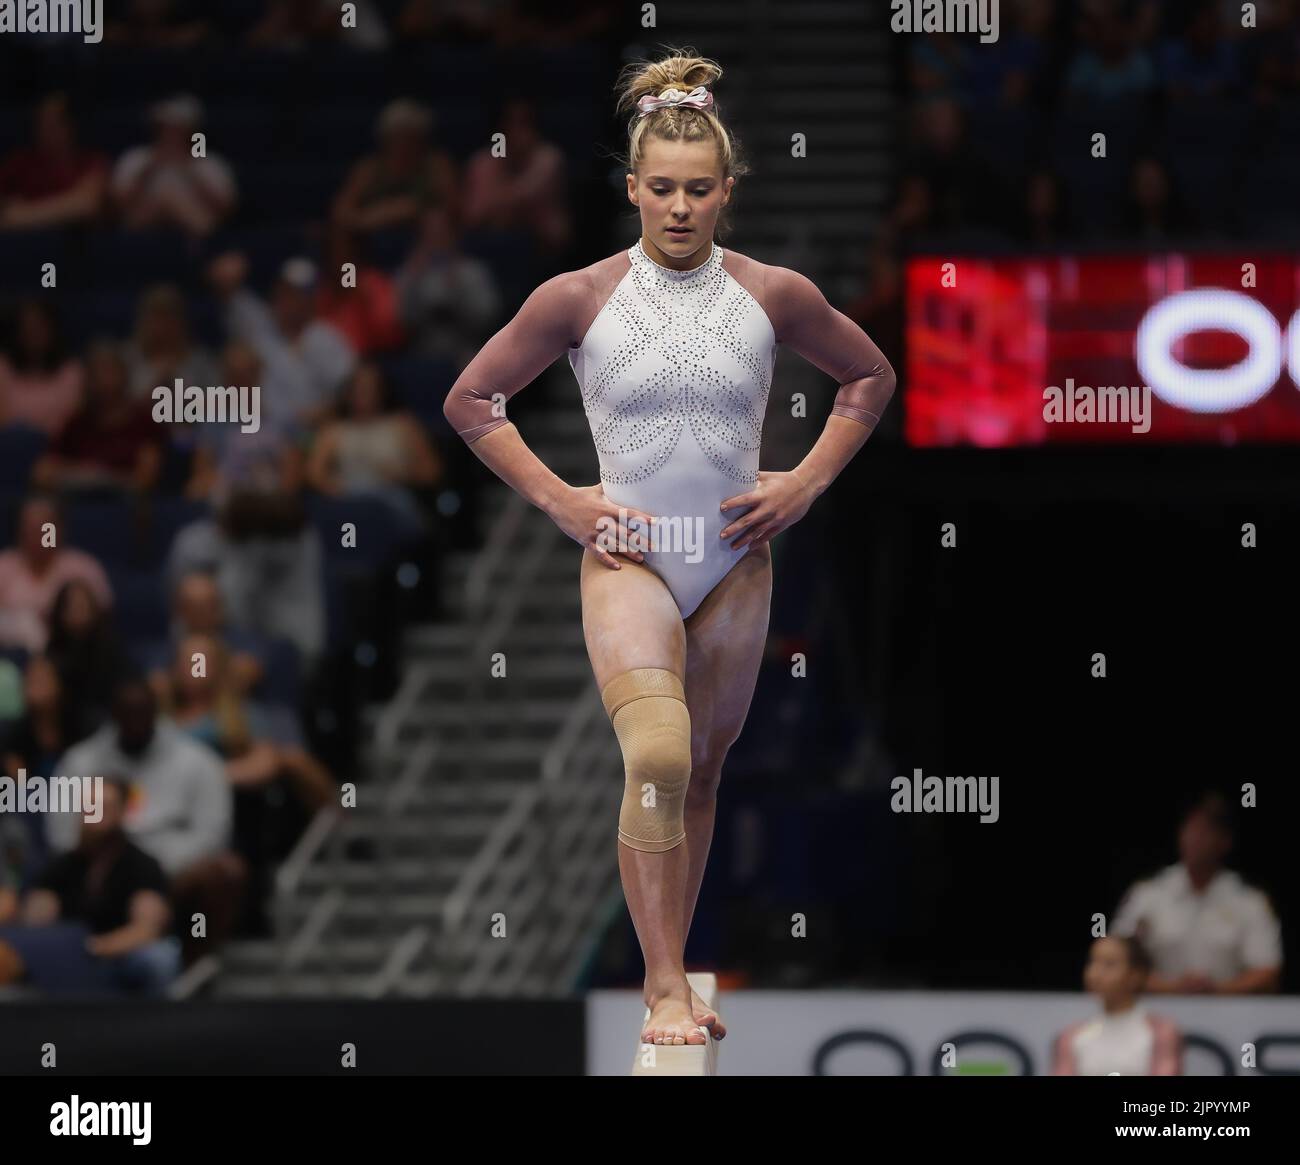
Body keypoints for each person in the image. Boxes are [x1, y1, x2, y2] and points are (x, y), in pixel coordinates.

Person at [442, 49, 895, 1046]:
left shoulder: (774, 291)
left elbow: (869, 376)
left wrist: (805, 480)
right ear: (632, 188)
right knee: (655, 753)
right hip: (629, 557)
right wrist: (561, 501)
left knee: (700, 776)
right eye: (661, 190)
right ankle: (661, 984)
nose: (680, 209)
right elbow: (471, 399)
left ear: (727, 190)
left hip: (735, 558)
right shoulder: (578, 295)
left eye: (698, 190)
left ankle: (678, 969)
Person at [46, 678, 245, 964]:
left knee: (226, 870)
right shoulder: (81, 762)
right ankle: (65, 959)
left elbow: (213, 835)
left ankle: (194, 966)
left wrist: (153, 866)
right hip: (97, 868)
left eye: (142, 714)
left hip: (172, 872)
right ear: (113, 716)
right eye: (126, 715)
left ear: (156, 713)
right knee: (47, 893)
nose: (135, 723)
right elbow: (62, 837)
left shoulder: (197, 761)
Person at [0, 777, 180, 997]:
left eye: (105, 806)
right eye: (90, 805)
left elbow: (148, 929)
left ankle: (156, 1023)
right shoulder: (62, 866)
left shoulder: (142, 865)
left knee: (159, 958)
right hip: (70, 956)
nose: (95, 813)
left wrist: (96, 947)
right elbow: (36, 922)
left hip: (123, 954)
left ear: (123, 811)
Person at [1112, 793, 1282, 994]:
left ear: (1225, 841)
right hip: (1155, 1010)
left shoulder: (1249, 900)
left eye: (1205, 832)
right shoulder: (1148, 894)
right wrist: (1171, 988)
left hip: (1231, 1015)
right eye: (1190, 829)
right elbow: (1113, 960)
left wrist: (1217, 990)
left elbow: (1267, 971)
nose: (1195, 839)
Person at [208, 253, 356, 433]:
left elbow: (346, 392)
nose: (289, 299)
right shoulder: (260, 331)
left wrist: (318, 415)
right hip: (265, 431)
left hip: (315, 431)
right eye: (285, 291)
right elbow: (231, 296)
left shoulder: (328, 339)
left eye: (298, 294)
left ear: (311, 298)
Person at [307, 361, 441, 526]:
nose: (364, 394)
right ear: (348, 393)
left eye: (371, 388)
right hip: (349, 499)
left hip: (392, 497)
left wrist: (403, 475)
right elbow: (315, 475)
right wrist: (341, 490)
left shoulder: (404, 424)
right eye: (359, 388)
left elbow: (431, 472)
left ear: (382, 390)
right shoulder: (333, 430)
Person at [32, 340, 163, 493]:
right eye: (98, 373)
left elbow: (145, 479)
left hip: (125, 506)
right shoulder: (77, 423)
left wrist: (104, 478)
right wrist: (83, 475)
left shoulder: (145, 422)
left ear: (125, 375)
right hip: (76, 502)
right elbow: (42, 472)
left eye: (110, 371)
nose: (104, 380)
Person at [1052, 935, 1183, 1076]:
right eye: (1092, 962)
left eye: (1109, 964)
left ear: (1135, 975)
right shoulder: (1073, 1036)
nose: (1095, 973)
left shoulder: (1161, 1033)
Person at [110, 94, 237, 237]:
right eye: (166, 129)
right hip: (140, 236)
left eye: (179, 130)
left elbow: (225, 209)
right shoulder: (136, 157)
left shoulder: (208, 162)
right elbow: (117, 206)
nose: (172, 135)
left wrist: (188, 169)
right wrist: (151, 169)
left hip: (198, 238)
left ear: (191, 132)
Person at [0, 494, 113, 653]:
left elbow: (101, 625)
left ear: (59, 529)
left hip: (72, 658)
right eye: (30, 528)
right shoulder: (4, 566)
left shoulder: (83, 568)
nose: (38, 535)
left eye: (45, 528)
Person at [461, 97, 573, 255]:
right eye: (510, 124)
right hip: (488, 249)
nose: (516, 131)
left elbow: (524, 196)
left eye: (523, 123)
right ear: (499, 129)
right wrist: (502, 159)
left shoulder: (549, 158)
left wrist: (500, 206)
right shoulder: (482, 161)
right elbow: (474, 214)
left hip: (542, 247)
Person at [395, 205, 502, 365]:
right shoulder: (410, 273)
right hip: (421, 353)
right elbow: (398, 319)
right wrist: (413, 282)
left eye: (441, 234)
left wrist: (458, 290)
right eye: (430, 235)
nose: (436, 241)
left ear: (454, 235)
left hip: (464, 351)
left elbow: (488, 317)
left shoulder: (473, 272)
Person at [331, 99, 457, 236]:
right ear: (385, 139)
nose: (404, 145)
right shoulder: (369, 168)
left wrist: (414, 208)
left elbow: (453, 207)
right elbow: (341, 211)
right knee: (340, 232)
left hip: (423, 236)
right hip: (371, 233)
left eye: (410, 137)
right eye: (397, 137)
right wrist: (376, 215)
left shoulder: (436, 164)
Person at [0, 91, 108, 231]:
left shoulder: (91, 162)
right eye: (41, 123)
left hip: (74, 250)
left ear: (70, 126)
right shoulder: (19, 163)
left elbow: (87, 205)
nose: (44, 130)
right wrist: (67, 206)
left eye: (52, 123)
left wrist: (21, 214)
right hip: (24, 248)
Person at [0, 299, 83, 436]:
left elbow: (73, 422)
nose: (33, 334)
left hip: (57, 449)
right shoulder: (2, 367)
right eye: (27, 328)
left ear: (52, 329)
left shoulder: (72, 371)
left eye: (39, 327)